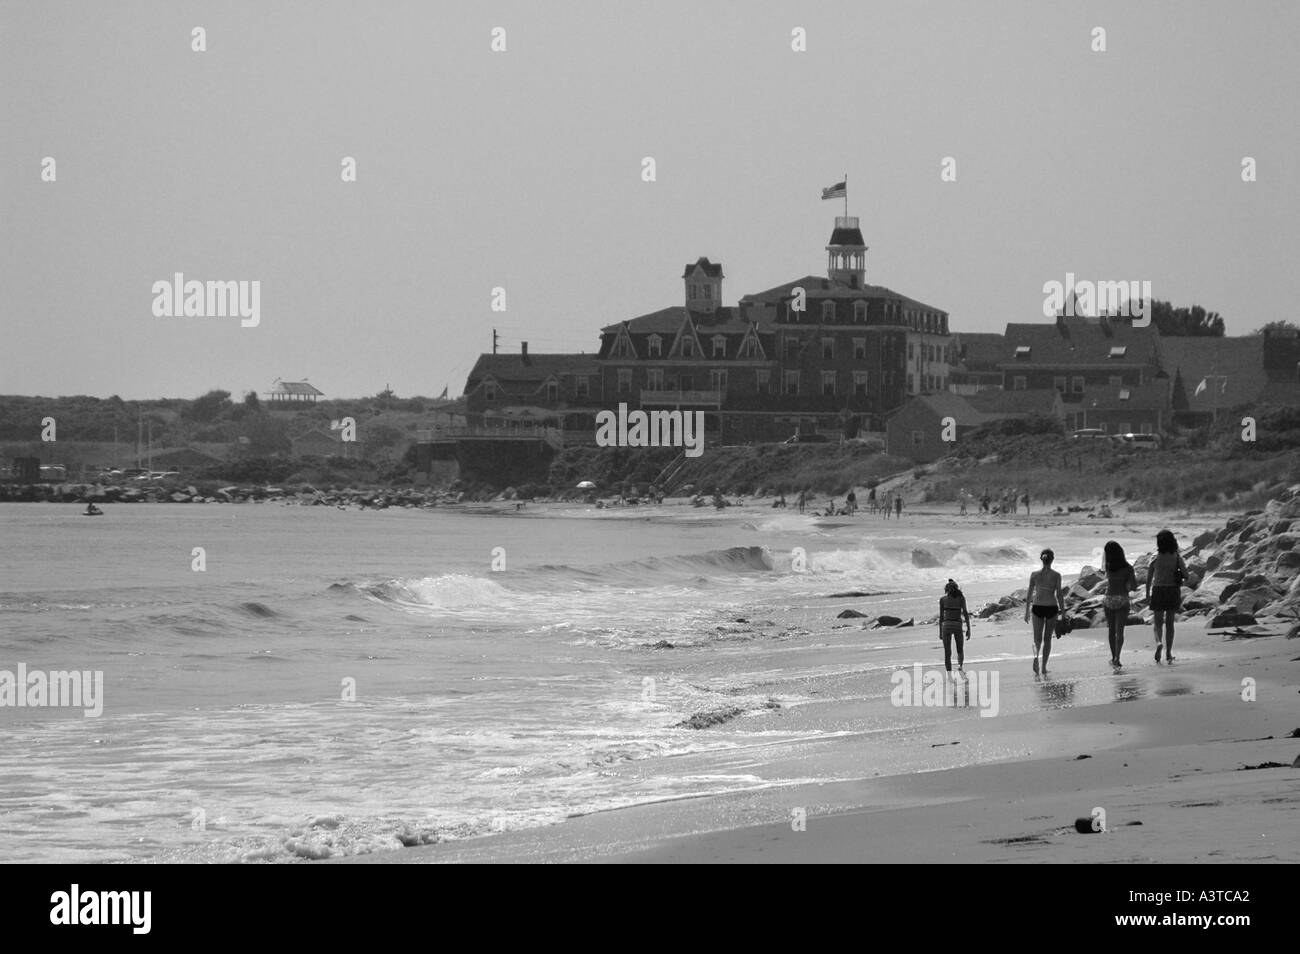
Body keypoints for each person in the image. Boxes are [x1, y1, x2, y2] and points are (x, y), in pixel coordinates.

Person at [1147, 529, 1187, 663]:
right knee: (1170, 624)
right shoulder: (1176, 557)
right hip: (1172, 590)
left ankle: (1158, 643)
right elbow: (1186, 575)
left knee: (1157, 623)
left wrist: (1147, 593)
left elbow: (1149, 577)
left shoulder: (1155, 557)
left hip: (1158, 590)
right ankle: (1169, 653)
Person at [1024, 548, 1065, 675]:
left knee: (1037, 639)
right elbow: (1059, 594)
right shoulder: (1056, 575)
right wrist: (1063, 611)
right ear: (1052, 559)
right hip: (1051, 608)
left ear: (1042, 559)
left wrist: (1026, 612)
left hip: (1037, 607)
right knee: (1047, 639)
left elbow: (1029, 594)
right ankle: (1043, 667)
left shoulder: (1034, 575)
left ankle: (1036, 658)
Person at [1102, 540, 1138, 667]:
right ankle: (1117, 657)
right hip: (1122, 598)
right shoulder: (1128, 568)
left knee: (1111, 630)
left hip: (1109, 598)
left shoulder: (1108, 566)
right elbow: (1134, 586)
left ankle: (1113, 657)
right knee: (1120, 631)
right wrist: (1127, 585)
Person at [938, 579, 972, 673]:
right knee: (960, 649)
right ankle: (960, 666)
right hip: (957, 624)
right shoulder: (961, 598)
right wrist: (969, 628)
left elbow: (941, 617)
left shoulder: (943, 599)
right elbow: (965, 613)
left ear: (946, 590)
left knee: (947, 653)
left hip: (946, 625)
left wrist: (940, 631)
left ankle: (949, 674)